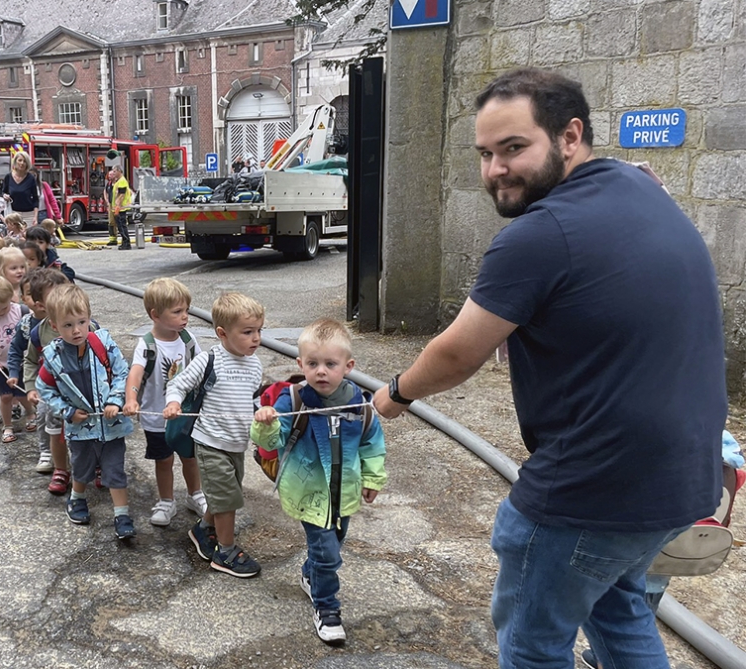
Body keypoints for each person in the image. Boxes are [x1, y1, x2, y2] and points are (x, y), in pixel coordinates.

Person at [370, 68, 727, 669]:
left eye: (513, 148)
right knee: (619, 609)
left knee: (535, 647)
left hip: (589, 492)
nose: (494, 171)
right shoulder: (641, 188)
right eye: (484, 153)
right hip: (680, 483)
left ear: (569, 137)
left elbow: (459, 352)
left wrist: (397, 393)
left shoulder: (539, 236)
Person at [251, 319, 386, 645]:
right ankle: (327, 609)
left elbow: (373, 444)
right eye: (312, 364)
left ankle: (311, 575)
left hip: (346, 492)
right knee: (328, 554)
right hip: (309, 491)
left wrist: (373, 477)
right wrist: (266, 422)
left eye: (330, 364)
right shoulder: (293, 400)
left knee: (334, 541)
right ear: (300, 364)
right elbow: (272, 439)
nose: (321, 371)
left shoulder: (360, 406)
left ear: (348, 365)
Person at [579, 428, 744, 668]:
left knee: (616, 610)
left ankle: (605, 657)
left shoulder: (650, 426)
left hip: (635, 540)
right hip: (675, 544)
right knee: (645, 609)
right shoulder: (719, 435)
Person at [165, 292, 266, 578]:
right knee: (228, 499)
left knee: (224, 494)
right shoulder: (209, 360)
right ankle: (226, 551)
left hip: (236, 444)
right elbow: (178, 384)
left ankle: (202, 530)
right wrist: (173, 402)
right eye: (247, 332)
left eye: (259, 330)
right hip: (210, 443)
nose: (256, 338)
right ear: (222, 333)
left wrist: (263, 414)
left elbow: (255, 400)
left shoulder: (254, 365)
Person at [36, 284, 137, 540]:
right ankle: (77, 498)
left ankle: (122, 514)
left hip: (111, 424)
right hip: (79, 427)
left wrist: (115, 400)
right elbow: (44, 389)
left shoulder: (102, 342)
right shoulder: (52, 357)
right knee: (82, 467)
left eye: (82, 321)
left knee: (115, 469)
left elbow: (122, 372)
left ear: (89, 318)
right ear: (55, 326)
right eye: (68, 325)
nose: (77, 330)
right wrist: (67, 411)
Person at [122, 278, 207, 527]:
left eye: (186, 310)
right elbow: (135, 375)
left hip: (186, 415)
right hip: (156, 418)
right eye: (177, 312)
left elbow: (203, 369)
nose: (185, 317)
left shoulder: (189, 341)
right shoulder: (147, 345)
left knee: (190, 457)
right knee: (164, 460)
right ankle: (166, 500)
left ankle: (195, 494)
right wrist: (131, 399)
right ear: (155, 315)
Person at [7, 269, 69, 474]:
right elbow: (30, 360)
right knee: (45, 419)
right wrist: (31, 387)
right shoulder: (39, 331)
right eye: (55, 296)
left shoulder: (84, 324)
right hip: (49, 388)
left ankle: (92, 461)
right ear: (41, 304)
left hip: (79, 386)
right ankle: (48, 453)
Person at [0, 276, 37, 444]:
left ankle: (31, 413)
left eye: (3, 308)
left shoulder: (22, 312)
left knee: (23, 393)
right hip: (0, 366)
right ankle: (7, 425)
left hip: (23, 362)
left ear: (11, 297)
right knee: (6, 396)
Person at [2, 150, 40, 227]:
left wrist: (35, 217)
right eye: (20, 160)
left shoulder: (31, 178)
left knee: (28, 237)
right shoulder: (8, 177)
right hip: (13, 214)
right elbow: (3, 192)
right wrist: (4, 196)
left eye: (24, 161)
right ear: (15, 162)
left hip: (29, 215)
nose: (22, 163)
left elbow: (36, 199)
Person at [108, 166, 133, 250]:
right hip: (120, 207)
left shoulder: (122, 181)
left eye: (115, 171)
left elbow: (121, 195)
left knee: (122, 226)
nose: (113, 173)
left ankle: (126, 243)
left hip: (121, 208)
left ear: (119, 171)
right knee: (121, 226)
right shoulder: (120, 181)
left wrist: (117, 207)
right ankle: (125, 242)